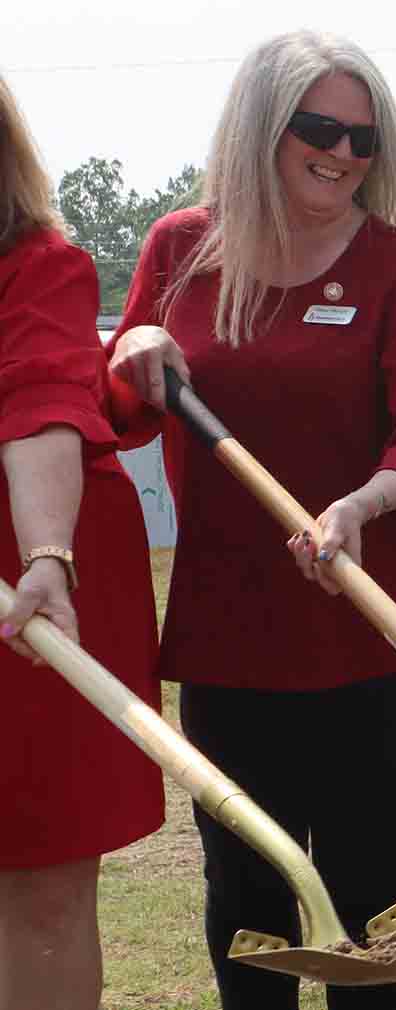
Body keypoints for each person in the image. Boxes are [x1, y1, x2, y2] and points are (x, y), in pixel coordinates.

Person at [103, 31, 396, 1009]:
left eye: (364, 137)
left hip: (378, 628)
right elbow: (121, 412)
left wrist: (359, 504)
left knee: (372, 893)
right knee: (247, 898)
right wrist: (134, 344)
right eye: (320, 128)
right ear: (263, 125)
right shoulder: (181, 248)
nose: (344, 153)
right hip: (234, 635)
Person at [0, 68, 160, 1010]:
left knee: (41, 885)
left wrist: (45, 554)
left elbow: (41, 405)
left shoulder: (38, 263)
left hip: (30, 602)